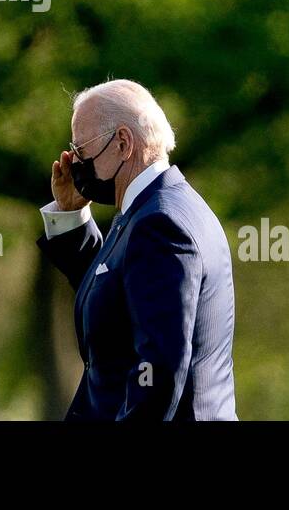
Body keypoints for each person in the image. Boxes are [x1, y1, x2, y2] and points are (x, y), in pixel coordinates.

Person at [37, 79, 237, 420]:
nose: (75, 165)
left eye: (82, 151)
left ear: (123, 143)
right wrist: (71, 216)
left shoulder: (158, 223)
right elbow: (117, 297)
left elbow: (158, 371)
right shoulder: (156, 209)